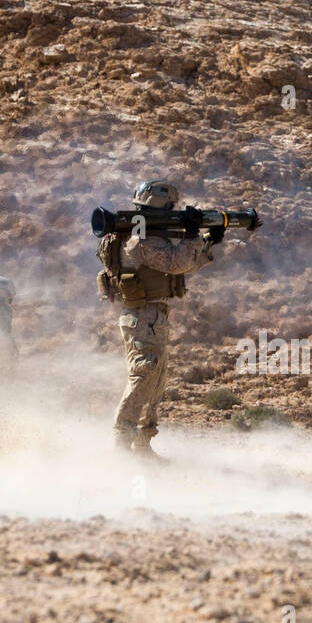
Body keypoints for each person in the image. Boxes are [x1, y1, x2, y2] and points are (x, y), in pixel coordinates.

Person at [102, 180, 224, 459]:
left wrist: (207, 242)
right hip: (143, 317)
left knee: (156, 381)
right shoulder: (138, 237)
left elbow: (183, 263)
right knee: (144, 375)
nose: (174, 212)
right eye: (171, 208)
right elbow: (176, 262)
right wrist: (193, 235)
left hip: (153, 316)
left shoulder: (146, 235)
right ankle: (122, 446)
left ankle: (142, 445)